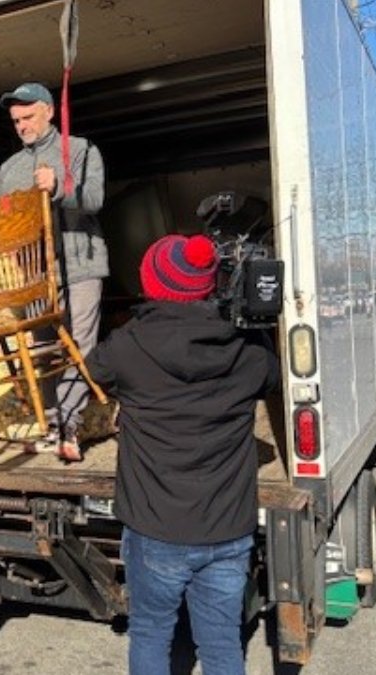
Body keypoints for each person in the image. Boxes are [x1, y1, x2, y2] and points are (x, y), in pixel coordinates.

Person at [84, 234, 279, 675]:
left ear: (151, 285)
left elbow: (94, 368)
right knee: (223, 645)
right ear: (211, 285)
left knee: (152, 634)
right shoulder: (248, 350)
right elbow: (271, 376)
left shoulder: (129, 347)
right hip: (228, 528)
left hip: (156, 530)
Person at [0, 81, 108, 460]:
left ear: (50, 111)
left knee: (79, 345)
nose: (21, 126)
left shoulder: (81, 150)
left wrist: (58, 188)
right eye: (16, 121)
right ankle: (53, 423)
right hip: (35, 276)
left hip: (82, 264)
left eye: (28, 117)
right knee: (43, 351)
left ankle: (68, 427)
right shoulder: (11, 168)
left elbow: (95, 199)